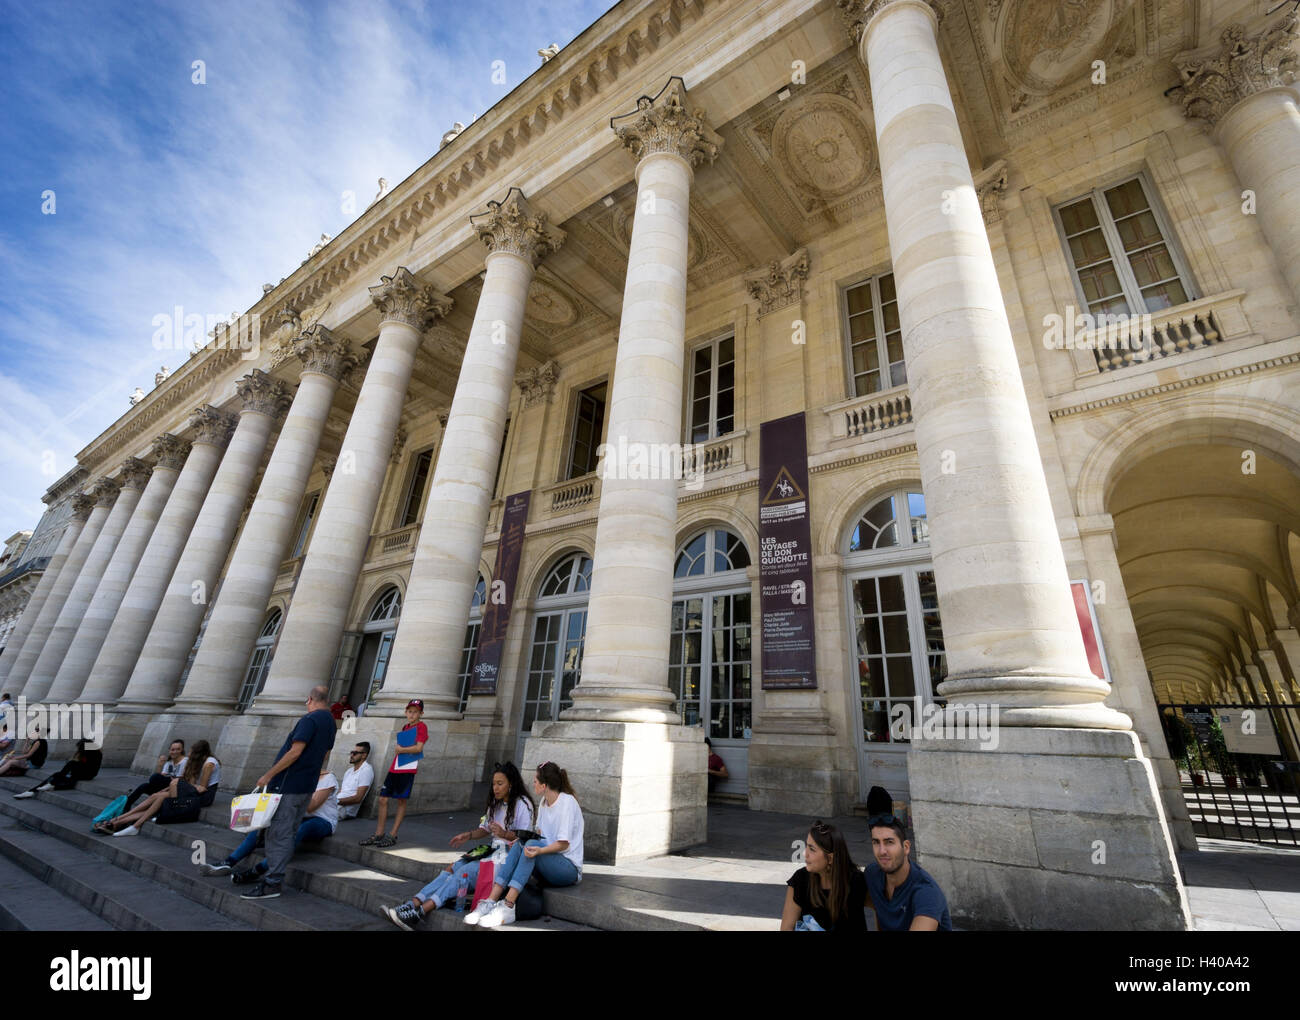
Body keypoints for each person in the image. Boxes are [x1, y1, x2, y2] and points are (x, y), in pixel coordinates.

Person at [383, 761, 537, 930]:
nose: (495, 788)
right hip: (490, 851)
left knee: (463, 874)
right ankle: (413, 903)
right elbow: (484, 828)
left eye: (500, 784)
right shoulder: (496, 802)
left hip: (506, 857)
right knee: (452, 868)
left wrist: (504, 834)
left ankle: (420, 913)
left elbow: (525, 838)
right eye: (493, 784)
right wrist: (469, 835)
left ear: (511, 784)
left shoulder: (523, 804)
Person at [237, 684, 336, 900]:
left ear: (309, 699)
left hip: (289, 785)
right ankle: (272, 878)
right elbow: (325, 752)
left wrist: (268, 775)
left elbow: (295, 751)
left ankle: (272, 882)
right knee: (287, 833)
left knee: (279, 834)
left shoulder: (309, 720)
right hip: (306, 786)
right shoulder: (330, 722)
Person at [466, 761, 583, 929]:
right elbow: (539, 836)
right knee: (523, 842)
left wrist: (538, 849)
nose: (533, 783)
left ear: (544, 785)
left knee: (530, 844)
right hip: (547, 861)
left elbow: (563, 845)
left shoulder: (567, 802)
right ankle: (490, 902)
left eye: (535, 780)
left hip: (568, 869)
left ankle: (507, 906)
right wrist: (520, 842)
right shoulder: (543, 803)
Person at [201, 763, 339, 879]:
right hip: (297, 816)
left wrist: (297, 787)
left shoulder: (328, 778)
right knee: (262, 827)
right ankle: (229, 862)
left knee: (300, 829)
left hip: (322, 821)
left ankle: (258, 870)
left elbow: (311, 807)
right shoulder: (299, 777)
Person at [94, 741, 220, 835]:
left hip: (203, 798)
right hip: (191, 794)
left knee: (167, 791)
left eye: (191, 751)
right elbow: (190, 782)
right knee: (156, 796)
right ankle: (117, 821)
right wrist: (167, 789)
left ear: (198, 753)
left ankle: (127, 824)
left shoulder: (209, 763)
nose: (189, 754)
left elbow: (202, 788)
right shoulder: (197, 763)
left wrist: (178, 785)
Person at [864, 814, 952, 931]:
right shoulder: (872, 874)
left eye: (889, 842)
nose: (882, 851)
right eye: (876, 842)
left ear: (906, 847)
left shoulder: (926, 892)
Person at [360, 699, 426, 848]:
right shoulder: (405, 726)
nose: (412, 714)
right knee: (383, 799)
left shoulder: (422, 727)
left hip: (408, 767)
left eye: (415, 712)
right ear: (405, 712)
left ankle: (393, 833)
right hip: (395, 766)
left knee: (401, 800)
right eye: (409, 711)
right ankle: (379, 833)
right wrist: (400, 749)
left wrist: (401, 749)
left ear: (421, 713)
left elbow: (419, 748)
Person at [780, 820, 867, 932]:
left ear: (830, 858)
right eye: (807, 846)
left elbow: (881, 909)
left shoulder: (856, 881)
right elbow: (787, 928)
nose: (804, 854)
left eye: (812, 849)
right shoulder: (800, 879)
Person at [13, 738, 103, 798]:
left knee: (69, 766)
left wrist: (75, 762)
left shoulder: (94, 754)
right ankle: (34, 790)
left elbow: (88, 767)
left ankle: (43, 787)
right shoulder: (91, 751)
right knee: (60, 775)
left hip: (88, 774)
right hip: (82, 773)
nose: (79, 750)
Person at [123, 739, 187, 811]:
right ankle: (127, 805)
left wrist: (163, 790)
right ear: (169, 751)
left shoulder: (184, 762)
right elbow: (162, 776)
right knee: (144, 786)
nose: (175, 752)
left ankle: (147, 808)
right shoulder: (170, 762)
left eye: (178, 749)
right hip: (166, 785)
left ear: (182, 750)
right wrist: (160, 765)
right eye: (173, 750)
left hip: (175, 788)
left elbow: (179, 781)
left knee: (155, 777)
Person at [337, 741, 373, 820]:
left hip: (345, 810)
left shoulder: (366, 770)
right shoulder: (349, 771)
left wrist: (335, 801)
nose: (352, 755)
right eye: (351, 752)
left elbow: (358, 798)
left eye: (355, 753)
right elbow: (342, 791)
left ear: (364, 755)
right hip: (336, 804)